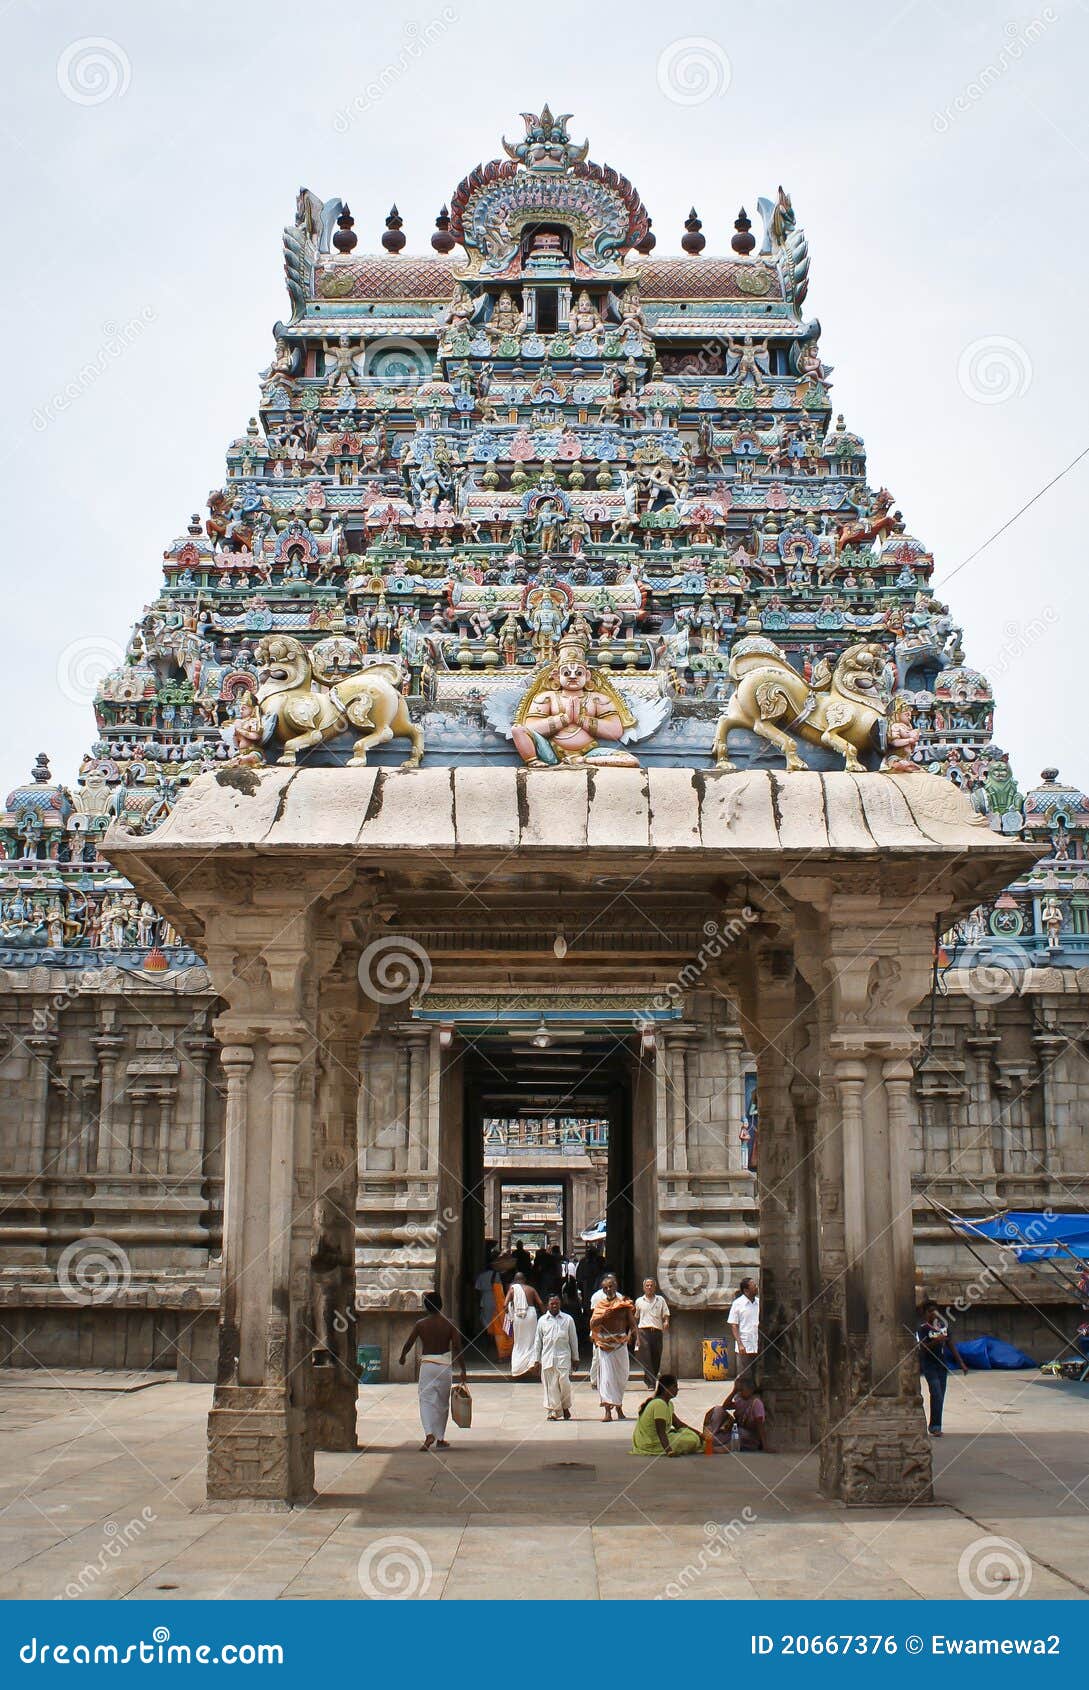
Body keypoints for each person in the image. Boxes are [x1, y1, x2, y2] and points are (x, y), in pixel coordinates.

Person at [398, 1291, 466, 1453]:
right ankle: (440, 1438)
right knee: (443, 1403)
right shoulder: (450, 1324)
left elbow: (409, 1343)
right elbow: (457, 1347)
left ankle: (429, 1433)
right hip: (444, 1366)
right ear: (441, 1305)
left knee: (426, 1400)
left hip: (428, 1366)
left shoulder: (420, 1324)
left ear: (426, 1307)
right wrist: (463, 1369)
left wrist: (402, 1356)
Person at [589, 1276, 637, 1420]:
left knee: (621, 1376)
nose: (609, 1289)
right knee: (606, 1378)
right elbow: (592, 1324)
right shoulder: (600, 1305)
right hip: (605, 1345)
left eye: (611, 1286)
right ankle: (607, 1412)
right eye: (606, 1287)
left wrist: (633, 1337)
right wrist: (604, 1316)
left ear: (615, 1286)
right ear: (603, 1290)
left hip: (620, 1343)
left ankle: (619, 1408)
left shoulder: (624, 1304)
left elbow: (632, 1324)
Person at [917, 1300, 967, 1436]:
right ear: (925, 1313)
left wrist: (961, 1363)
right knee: (936, 1393)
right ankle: (934, 1427)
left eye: (935, 1311)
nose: (933, 1314)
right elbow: (922, 1348)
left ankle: (936, 1425)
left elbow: (950, 1344)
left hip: (942, 1365)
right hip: (929, 1365)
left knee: (940, 1396)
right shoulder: (923, 1329)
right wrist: (935, 1341)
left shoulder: (942, 1327)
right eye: (930, 1311)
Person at [631, 1374, 701, 1457]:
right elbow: (660, 1431)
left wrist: (700, 1434)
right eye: (674, 1387)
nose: (677, 1389)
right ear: (666, 1389)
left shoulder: (669, 1404)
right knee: (691, 1440)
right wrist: (669, 1451)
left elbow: (678, 1424)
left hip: (659, 1438)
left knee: (691, 1434)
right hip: (651, 1443)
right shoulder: (659, 1404)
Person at [534, 1292, 580, 1420]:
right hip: (547, 1358)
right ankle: (553, 1411)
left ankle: (565, 1406)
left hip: (563, 1357)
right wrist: (536, 1360)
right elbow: (537, 1342)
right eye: (552, 1303)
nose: (554, 1305)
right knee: (551, 1386)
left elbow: (573, 1340)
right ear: (547, 1305)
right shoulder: (542, 1320)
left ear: (560, 1304)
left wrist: (575, 1358)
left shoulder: (568, 1319)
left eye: (557, 1303)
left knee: (565, 1383)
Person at [634, 1276, 670, 1388]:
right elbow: (636, 1318)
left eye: (651, 1285)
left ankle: (650, 1379)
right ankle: (652, 1383)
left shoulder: (660, 1300)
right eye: (647, 1286)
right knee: (646, 1357)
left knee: (656, 1357)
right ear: (643, 1288)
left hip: (657, 1331)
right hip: (643, 1332)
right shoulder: (639, 1301)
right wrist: (635, 1334)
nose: (649, 1287)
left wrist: (666, 1321)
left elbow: (666, 1313)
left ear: (655, 1287)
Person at [505, 1273, 543, 1378]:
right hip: (531, 1314)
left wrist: (509, 1313)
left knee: (519, 1342)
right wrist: (545, 1315)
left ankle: (518, 1368)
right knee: (532, 1340)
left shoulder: (512, 1289)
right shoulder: (531, 1289)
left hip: (518, 1315)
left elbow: (505, 1304)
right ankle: (531, 1364)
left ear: (515, 1280)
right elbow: (540, 1303)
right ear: (524, 1279)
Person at [728, 1277, 760, 1377]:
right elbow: (734, 1325)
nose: (756, 1288)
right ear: (746, 1290)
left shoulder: (759, 1303)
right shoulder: (737, 1304)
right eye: (753, 1286)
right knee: (745, 1375)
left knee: (757, 1375)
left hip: (758, 1343)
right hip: (745, 1345)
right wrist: (740, 1344)